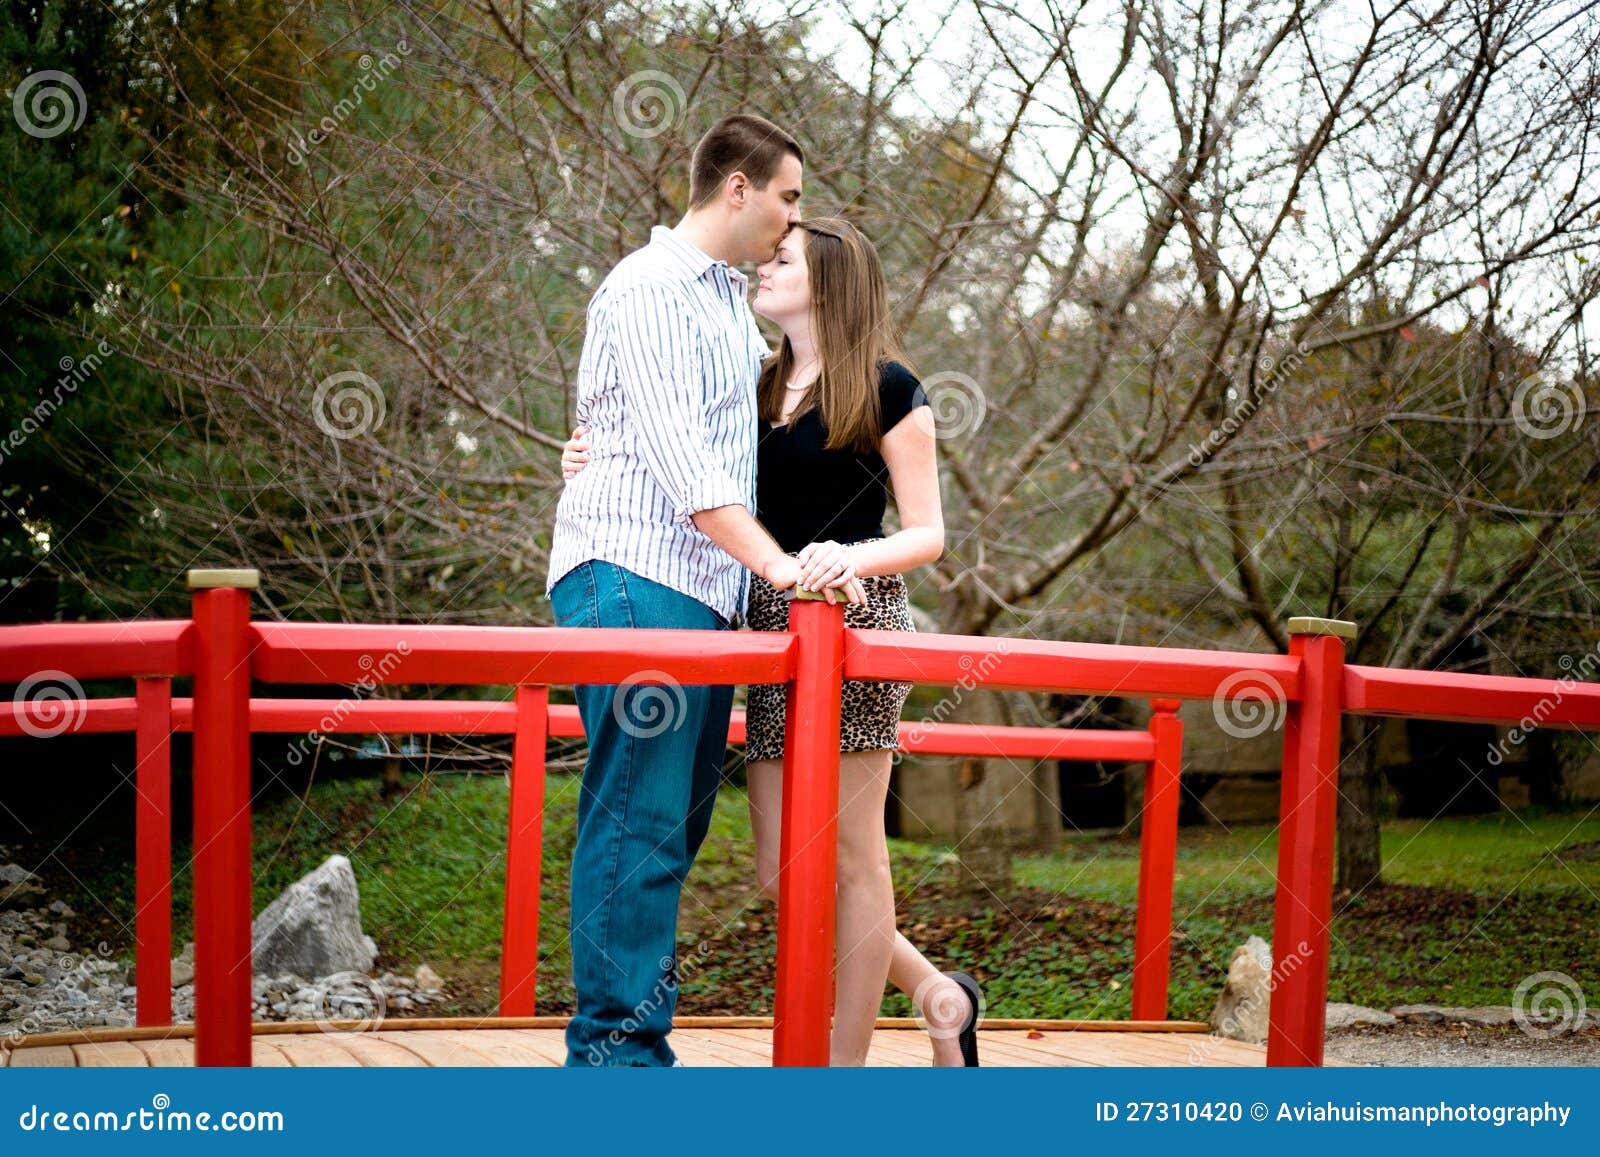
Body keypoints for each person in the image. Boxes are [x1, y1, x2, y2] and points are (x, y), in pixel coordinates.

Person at [562, 216, 984, 1066]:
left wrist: (847, 556)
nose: (764, 268)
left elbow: (928, 532)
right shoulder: (754, 388)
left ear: (827, 283)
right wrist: (590, 456)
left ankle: (838, 1074)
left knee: (857, 861)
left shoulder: (893, 390)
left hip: (857, 624)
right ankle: (944, 995)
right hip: (768, 626)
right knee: (779, 870)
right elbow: (679, 458)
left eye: (782, 260)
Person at [545, 113, 808, 1068]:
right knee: (639, 815)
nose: (791, 219)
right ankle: (614, 1060)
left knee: (675, 822)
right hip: (634, 573)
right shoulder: (650, 284)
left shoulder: (729, 310)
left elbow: (722, 446)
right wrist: (780, 566)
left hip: (703, 591)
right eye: (787, 196)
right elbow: (684, 463)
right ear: (737, 187)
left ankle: (629, 1042)